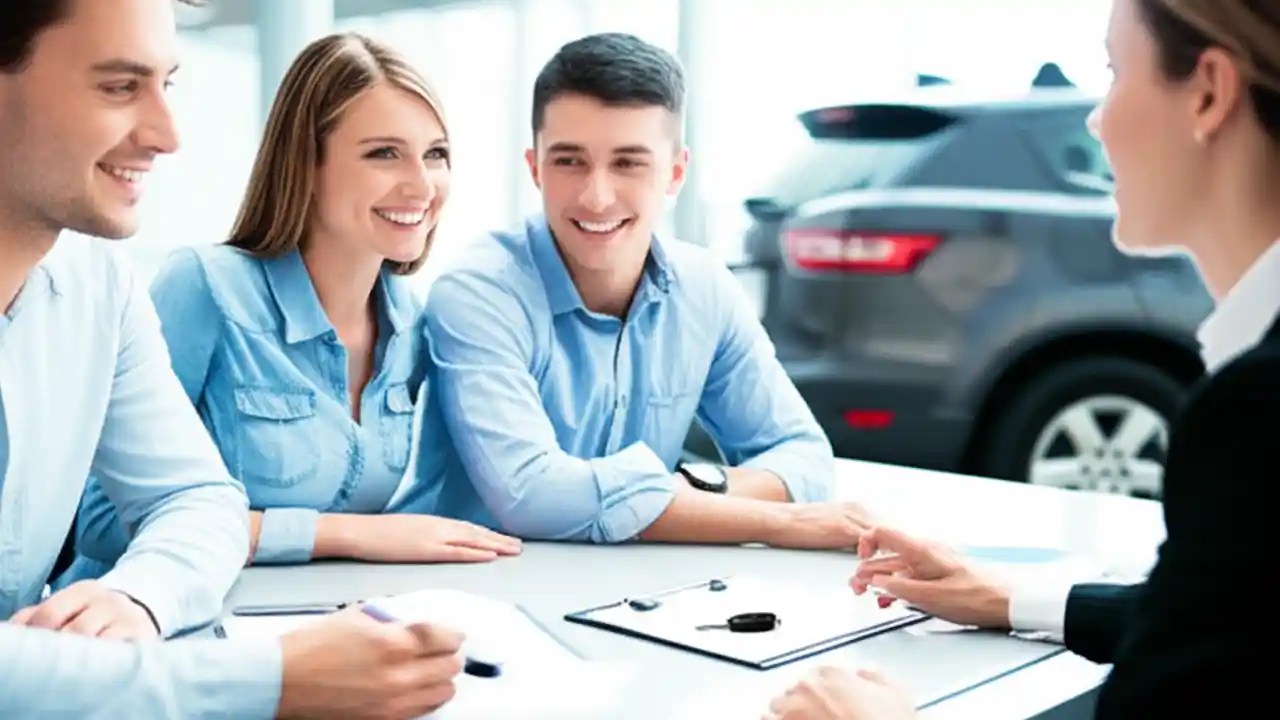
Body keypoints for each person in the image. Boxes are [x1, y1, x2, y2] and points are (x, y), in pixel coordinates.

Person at [764, 0, 1280, 717]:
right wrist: (1006, 596)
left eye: (1113, 71)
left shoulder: (1257, 410)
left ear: (1209, 93)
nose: (1095, 122)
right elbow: (1231, 616)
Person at [0, 1, 462, 717]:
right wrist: (269, 679)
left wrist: (140, 599)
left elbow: (197, 499)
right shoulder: (203, 285)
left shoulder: (99, 284)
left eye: (167, 84)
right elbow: (105, 523)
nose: (168, 135)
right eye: (119, 86)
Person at [66, 31, 520, 580]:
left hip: (311, 626)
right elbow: (100, 521)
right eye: (384, 154)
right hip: (145, 631)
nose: (421, 185)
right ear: (307, 165)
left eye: (436, 155)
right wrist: (349, 535)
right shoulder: (206, 288)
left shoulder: (416, 328)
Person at [414, 32, 874, 548]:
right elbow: (531, 495)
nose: (597, 196)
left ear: (675, 173)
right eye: (569, 161)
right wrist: (780, 522)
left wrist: (698, 488)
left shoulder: (704, 290)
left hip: (640, 588)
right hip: (479, 593)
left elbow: (803, 456)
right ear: (535, 168)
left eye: (628, 163)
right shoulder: (478, 292)